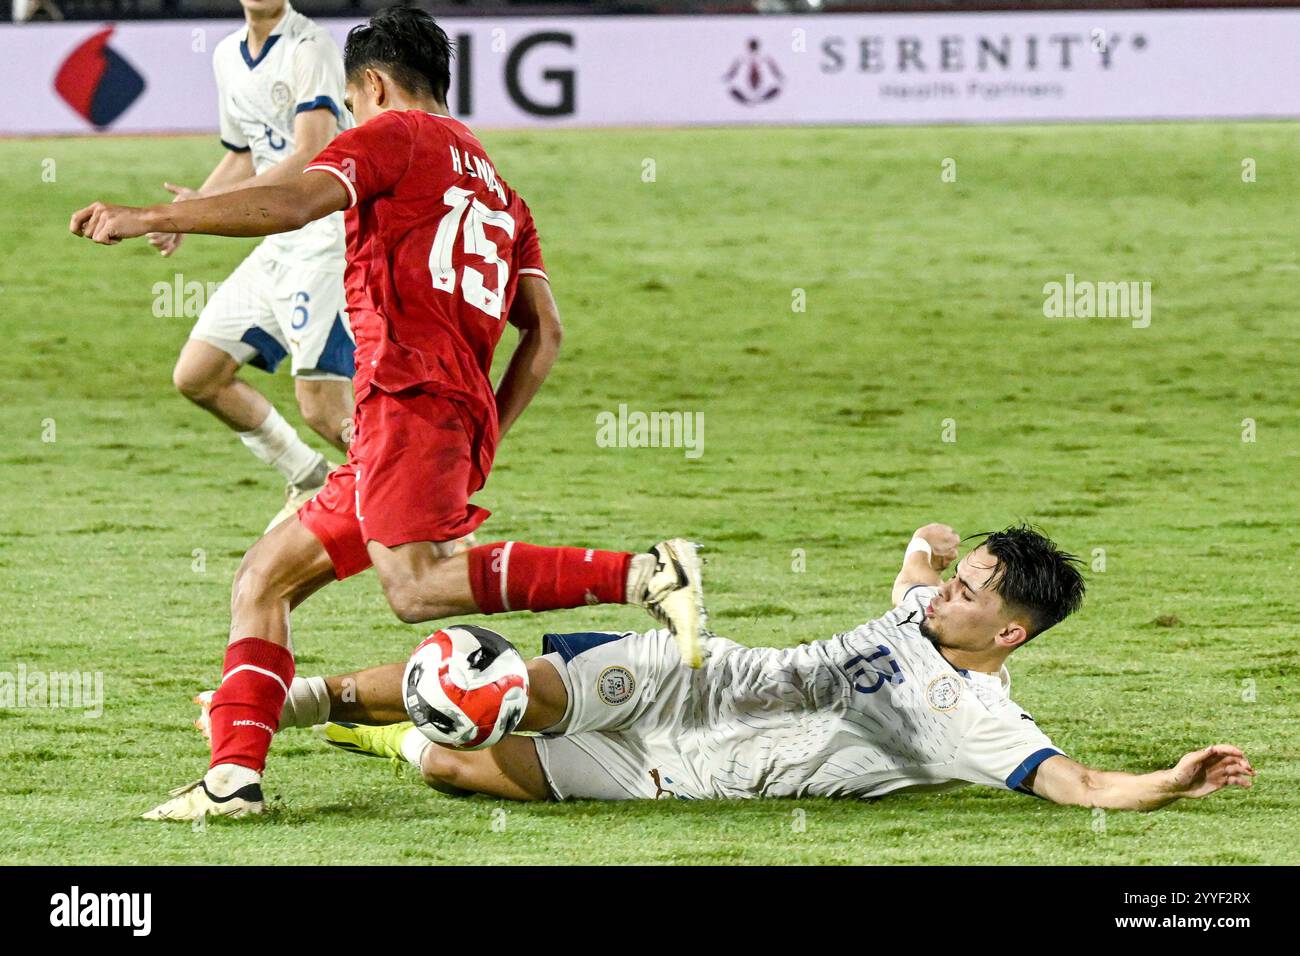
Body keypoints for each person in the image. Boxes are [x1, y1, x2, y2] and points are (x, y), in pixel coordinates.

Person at [70, 6, 707, 821]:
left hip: (409, 399)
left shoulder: (392, 135)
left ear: (370, 85)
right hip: (420, 418)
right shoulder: (505, 194)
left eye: (352, 103)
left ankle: (646, 571)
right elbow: (545, 333)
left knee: (415, 590)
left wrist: (154, 216)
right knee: (263, 578)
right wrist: (486, 431)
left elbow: (296, 203)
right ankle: (233, 782)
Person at [295, 524, 1255, 809]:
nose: (945, 596)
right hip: (687, 674)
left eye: (971, 595)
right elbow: (912, 578)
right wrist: (929, 547)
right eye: (958, 579)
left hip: (683, 773)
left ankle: (388, 742)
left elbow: (1077, 782)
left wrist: (1170, 782)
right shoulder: (929, 606)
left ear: (1011, 635)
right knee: (497, 685)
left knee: (462, 765)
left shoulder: (973, 718)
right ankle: (286, 702)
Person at [156, 0, 356, 528]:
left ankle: (428, 513)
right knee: (199, 374)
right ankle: (308, 476)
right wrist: (191, 206)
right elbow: (246, 150)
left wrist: (202, 211)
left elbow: (311, 155)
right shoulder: (226, 55)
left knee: (322, 408)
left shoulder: (311, 48)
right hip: (277, 242)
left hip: (325, 241)